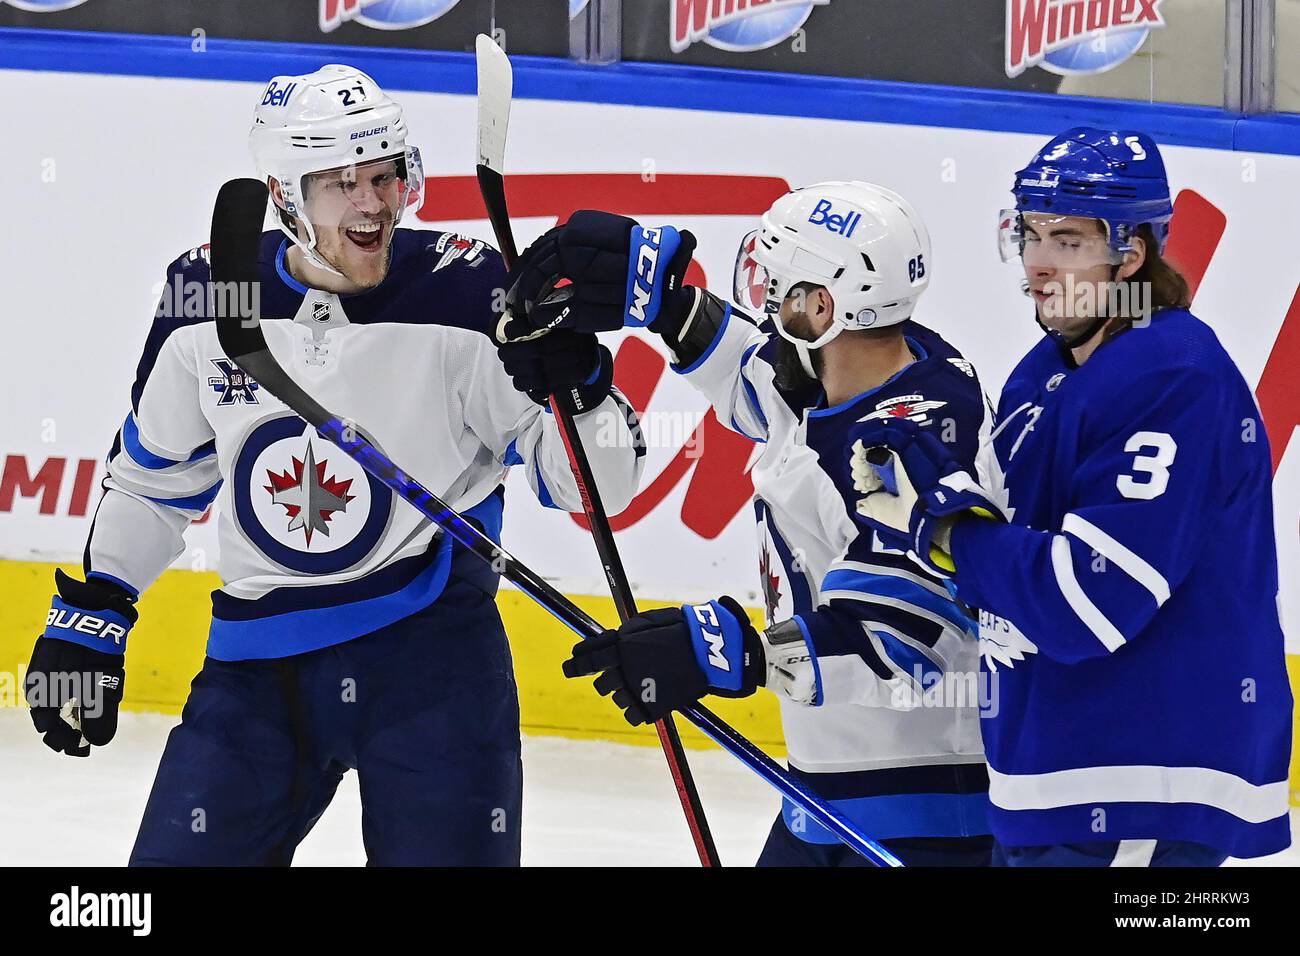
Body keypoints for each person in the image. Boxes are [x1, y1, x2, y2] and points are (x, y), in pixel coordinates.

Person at [24, 64, 645, 866]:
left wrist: (586, 386)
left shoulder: (471, 296)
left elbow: (595, 490)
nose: (374, 202)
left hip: (435, 666)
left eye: (387, 175)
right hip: (258, 673)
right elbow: (155, 480)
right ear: (284, 196)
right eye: (342, 182)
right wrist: (96, 613)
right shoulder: (208, 292)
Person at [500, 183, 994, 866]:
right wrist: (665, 303)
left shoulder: (890, 454)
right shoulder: (886, 363)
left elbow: (912, 642)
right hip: (828, 799)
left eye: (780, 287)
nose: (763, 300)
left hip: (919, 823)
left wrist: (733, 652)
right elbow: (769, 384)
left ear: (823, 307)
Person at [849, 127, 1293, 866]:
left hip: (1141, 784)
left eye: (1067, 240)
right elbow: (1006, 557)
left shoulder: (1171, 376)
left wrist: (947, 533)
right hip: (1057, 775)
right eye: (1028, 233)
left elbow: (1090, 602)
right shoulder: (1047, 369)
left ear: (1132, 251)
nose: (1038, 264)